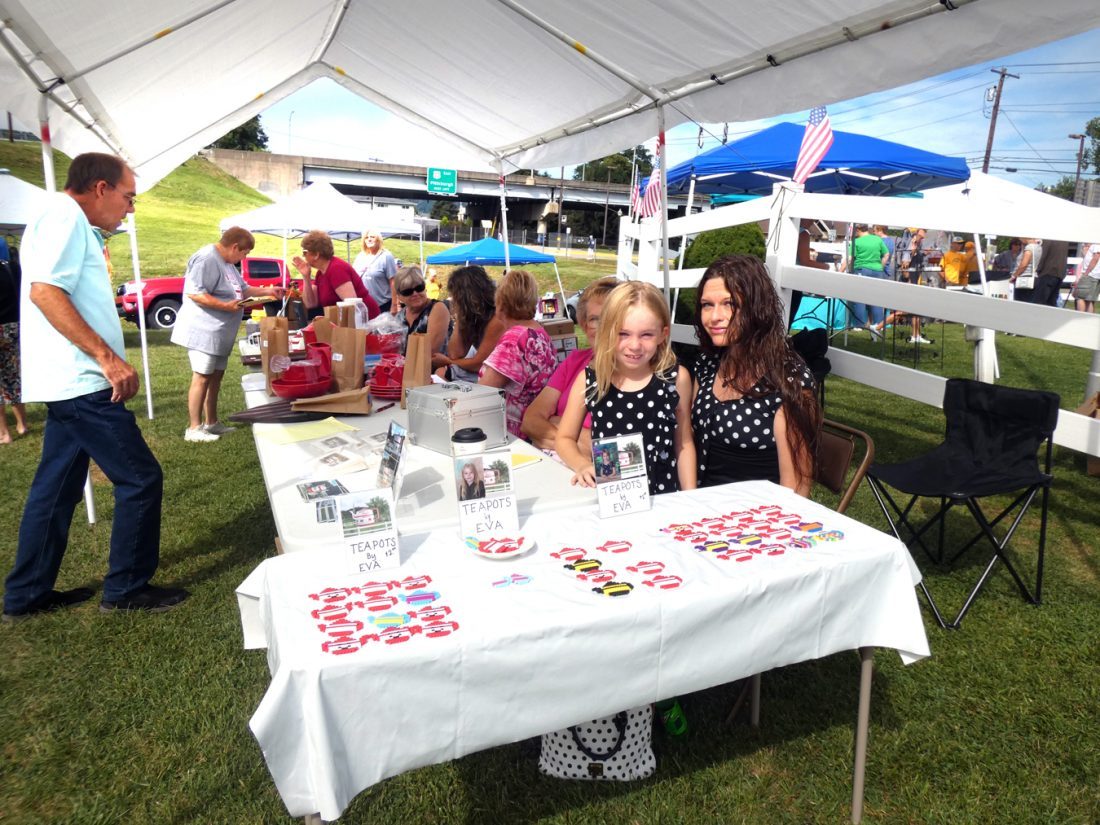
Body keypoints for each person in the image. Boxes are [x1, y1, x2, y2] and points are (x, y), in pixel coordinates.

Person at [3, 152, 188, 620]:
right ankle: (126, 587)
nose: (130, 208)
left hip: (70, 380)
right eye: (128, 197)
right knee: (141, 478)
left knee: (56, 487)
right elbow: (45, 291)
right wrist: (106, 358)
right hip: (81, 381)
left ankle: (26, 594)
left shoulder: (68, 221)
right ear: (100, 187)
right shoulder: (63, 216)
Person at [688, 255, 821, 495]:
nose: (714, 316)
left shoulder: (789, 380)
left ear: (756, 307)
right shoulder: (708, 364)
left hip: (754, 518)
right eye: (707, 305)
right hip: (699, 505)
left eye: (729, 304)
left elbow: (797, 488)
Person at [555, 280, 696, 495]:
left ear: (663, 333)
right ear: (607, 332)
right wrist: (581, 464)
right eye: (623, 334)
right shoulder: (591, 379)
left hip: (665, 500)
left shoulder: (676, 380)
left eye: (646, 334)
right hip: (613, 497)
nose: (634, 345)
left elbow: (683, 444)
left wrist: (691, 496)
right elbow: (564, 438)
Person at [170, 227, 282, 443]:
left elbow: (243, 289)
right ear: (234, 247)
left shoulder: (228, 263)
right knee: (202, 377)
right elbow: (194, 292)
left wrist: (268, 291)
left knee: (216, 376)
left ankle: (211, 422)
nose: (245, 257)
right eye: (245, 253)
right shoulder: (206, 258)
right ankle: (194, 427)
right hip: (204, 330)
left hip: (220, 331)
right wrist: (223, 305)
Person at [522, 275, 618, 455]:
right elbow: (530, 421)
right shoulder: (575, 361)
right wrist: (573, 442)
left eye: (611, 318)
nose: (604, 326)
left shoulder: (633, 373)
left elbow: (613, 453)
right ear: (584, 325)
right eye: (595, 319)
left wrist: (557, 422)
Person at [479, 269, 557, 438]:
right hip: (533, 430)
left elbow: (483, 391)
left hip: (511, 433)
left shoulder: (516, 339)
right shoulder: (539, 333)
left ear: (501, 303)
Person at [434, 265, 505, 382]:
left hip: (496, 375)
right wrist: (461, 317)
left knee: (442, 373)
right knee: (440, 373)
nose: (453, 300)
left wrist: (448, 361)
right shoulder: (475, 316)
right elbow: (455, 353)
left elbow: (479, 364)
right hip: (485, 372)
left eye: (455, 296)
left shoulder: (497, 318)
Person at [293, 230, 380, 319]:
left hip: (367, 320)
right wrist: (306, 276)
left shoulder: (337, 269)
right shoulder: (321, 273)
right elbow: (310, 304)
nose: (303, 256)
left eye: (305, 252)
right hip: (351, 322)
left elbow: (352, 306)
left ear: (316, 254)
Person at [0, 240, 28, 443]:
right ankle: (21, 424)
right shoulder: (13, 268)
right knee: (13, 378)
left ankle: (3, 433)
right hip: (14, 327)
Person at [394, 265, 450, 366]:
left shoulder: (437, 308)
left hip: (434, 373)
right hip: (405, 371)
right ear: (399, 296)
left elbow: (429, 351)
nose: (415, 293)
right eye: (408, 292)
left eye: (419, 288)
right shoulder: (399, 316)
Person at [846, 224, 889, 334]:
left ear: (858, 230)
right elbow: (886, 254)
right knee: (876, 298)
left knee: (859, 298)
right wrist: (881, 266)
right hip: (877, 271)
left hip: (862, 269)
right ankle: (879, 324)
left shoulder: (857, 241)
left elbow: (849, 259)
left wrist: (840, 272)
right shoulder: (877, 239)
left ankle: (859, 325)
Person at [788, 218, 830, 326]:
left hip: (786, 276)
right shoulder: (803, 234)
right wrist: (825, 266)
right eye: (811, 219)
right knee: (789, 317)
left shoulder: (789, 229)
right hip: (795, 281)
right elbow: (805, 261)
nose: (813, 222)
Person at [352, 228, 398, 313]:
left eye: (372, 237)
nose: (369, 239)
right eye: (366, 237)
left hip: (383, 306)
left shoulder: (386, 256)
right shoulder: (360, 257)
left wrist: (394, 305)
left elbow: (393, 281)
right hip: (363, 307)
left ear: (378, 240)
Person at [1032, 239, 1068, 307]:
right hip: (1059, 274)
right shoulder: (1064, 241)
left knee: (1039, 303)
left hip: (1048, 272)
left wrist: (1038, 269)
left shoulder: (1049, 238)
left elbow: (1043, 255)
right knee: (1051, 302)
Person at [1009, 238, 1042, 302]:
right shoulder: (1038, 247)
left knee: (1020, 302)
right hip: (1033, 277)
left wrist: (1014, 276)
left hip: (1024, 279)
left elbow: (1024, 265)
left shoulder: (1029, 248)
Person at [1072, 241, 1099, 313]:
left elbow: (1096, 257)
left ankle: (1080, 319)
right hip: (1095, 276)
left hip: (1090, 275)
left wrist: (1087, 272)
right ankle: (1087, 322)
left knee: (1080, 298)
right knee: (1089, 300)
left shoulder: (1096, 243)